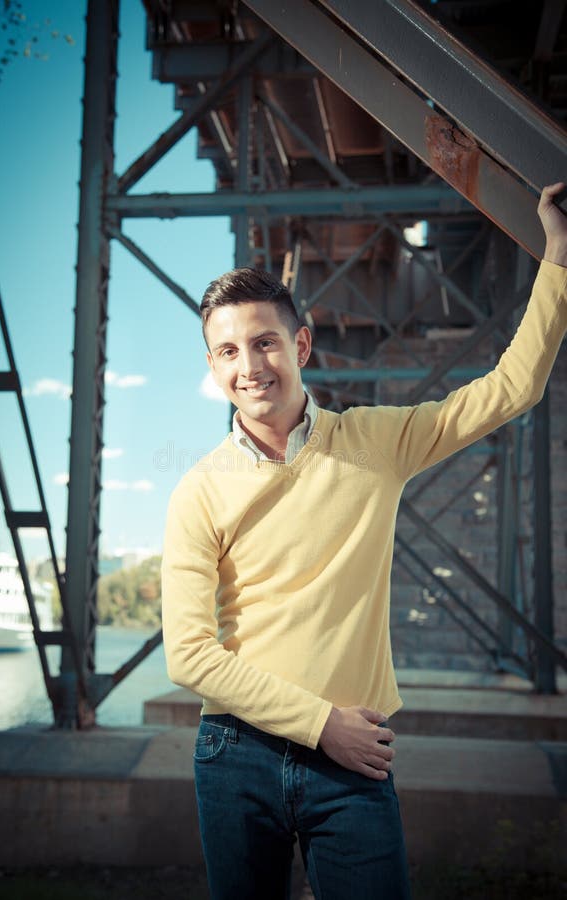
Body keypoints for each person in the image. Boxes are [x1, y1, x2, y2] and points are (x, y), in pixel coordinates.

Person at [161, 184, 567, 900]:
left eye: (263, 341)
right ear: (211, 365)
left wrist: (559, 256)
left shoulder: (374, 443)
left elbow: (512, 388)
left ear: (301, 345)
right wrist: (321, 725)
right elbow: (189, 654)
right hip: (236, 755)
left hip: (352, 760)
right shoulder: (199, 489)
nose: (248, 365)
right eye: (226, 351)